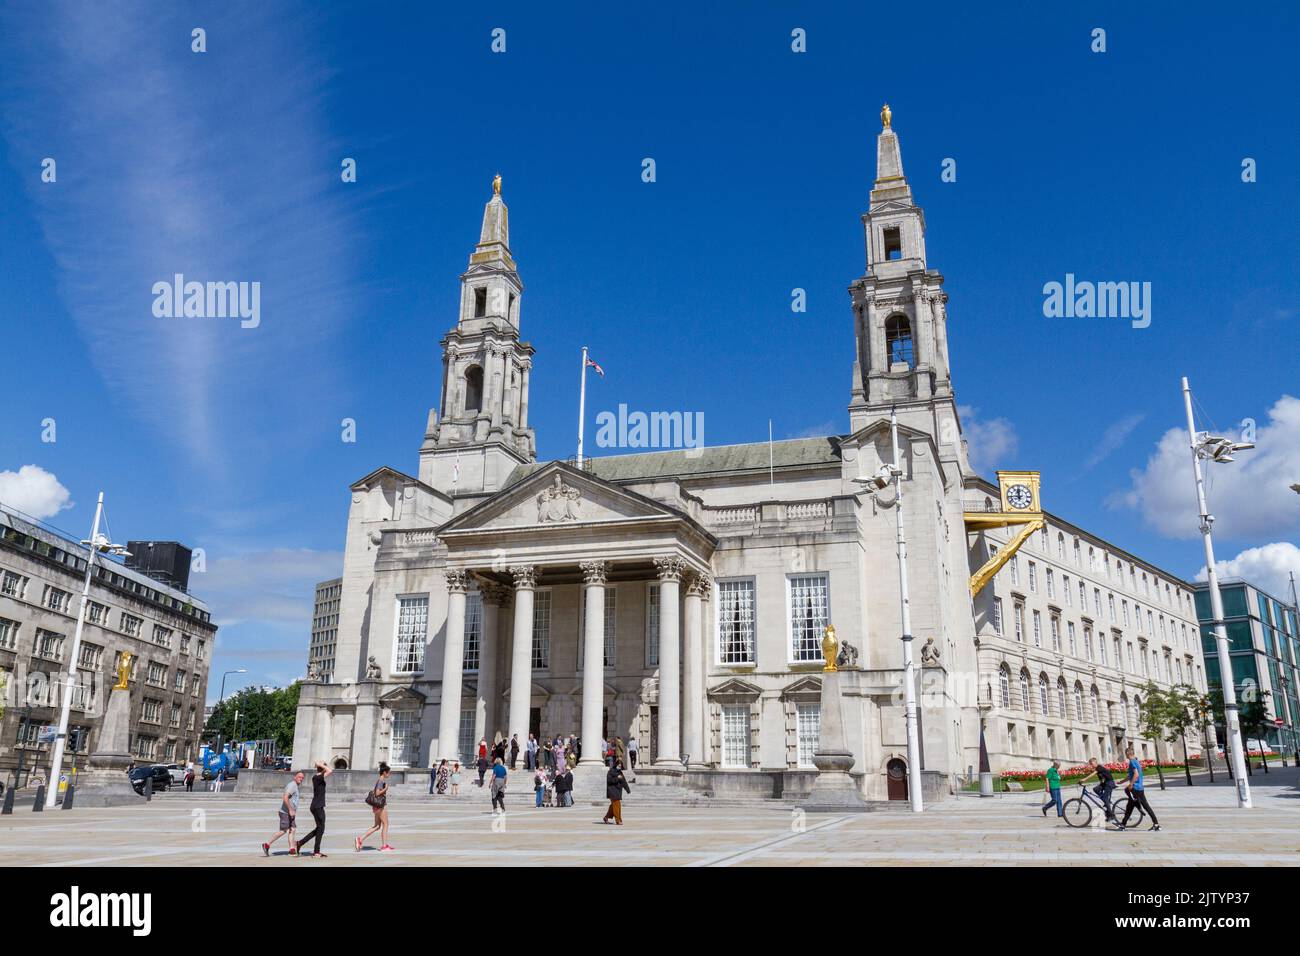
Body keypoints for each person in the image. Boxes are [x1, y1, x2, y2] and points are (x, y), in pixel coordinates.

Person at [262, 770, 304, 856]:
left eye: (302, 778)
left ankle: (292, 849)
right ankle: (267, 844)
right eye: (299, 777)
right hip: (285, 812)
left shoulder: (295, 785)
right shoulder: (292, 785)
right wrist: (290, 810)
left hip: (289, 813)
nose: (301, 779)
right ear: (295, 777)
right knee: (283, 830)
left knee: (293, 829)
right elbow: (285, 797)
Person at [296, 760, 333, 858]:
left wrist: (322, 765)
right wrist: (321, 764)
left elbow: (329, 769)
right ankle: (316, 852)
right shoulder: (318, 777)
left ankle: (300, 843)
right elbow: (330, 771)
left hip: (317, 806)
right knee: (321, 828)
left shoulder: (318, 777)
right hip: (317, 806)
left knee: (319, 828)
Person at [1119, 747, 1160, 832]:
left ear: (1127, 754)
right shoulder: (1136, 761)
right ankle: (1123, 825)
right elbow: (1131, 775)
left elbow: (1136, 774)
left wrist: (1131, 784)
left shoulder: (1132, 762)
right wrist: (1122, 781)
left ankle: (1139, 805)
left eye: (1126, 754)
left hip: (1136, 788)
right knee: (1129, 807)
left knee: (1127, 791)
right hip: (1139, 788)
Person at [356, 762, 394, 852]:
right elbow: (377, 793)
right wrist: (385, 789)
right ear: (384, 772)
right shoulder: (381, 781)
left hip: (376, 807)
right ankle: (384, 846)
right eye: (388, 772)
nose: (389, 774)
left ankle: (360, 840)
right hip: (380, 806)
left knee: (377, 826)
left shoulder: (380, 780)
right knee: (386, 824)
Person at [603, 761, 631, 825]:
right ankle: (618, 820)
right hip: (612, 791)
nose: (619, 767)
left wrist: (627, 789)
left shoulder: (620, 772)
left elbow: (624, 782)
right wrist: (617, 778)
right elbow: (609, 781)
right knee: (617, 805)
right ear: (616, 765)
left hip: (618, 791)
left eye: (620, 766)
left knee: (614, 805)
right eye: (619, 765)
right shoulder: (611, 771)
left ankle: (606, 817)